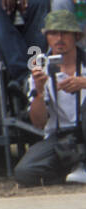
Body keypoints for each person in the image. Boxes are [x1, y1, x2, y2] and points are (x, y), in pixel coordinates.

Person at [13, 11, 86, 186]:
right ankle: (73, 169)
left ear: (75, 36)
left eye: (65, 32)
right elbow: (38, 123)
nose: (59, 38)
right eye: (53, 33)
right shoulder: (40, 69)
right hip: (59, 136)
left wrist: (84, 83)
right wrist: (39, 92)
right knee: (24, 172)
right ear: (46, 37)